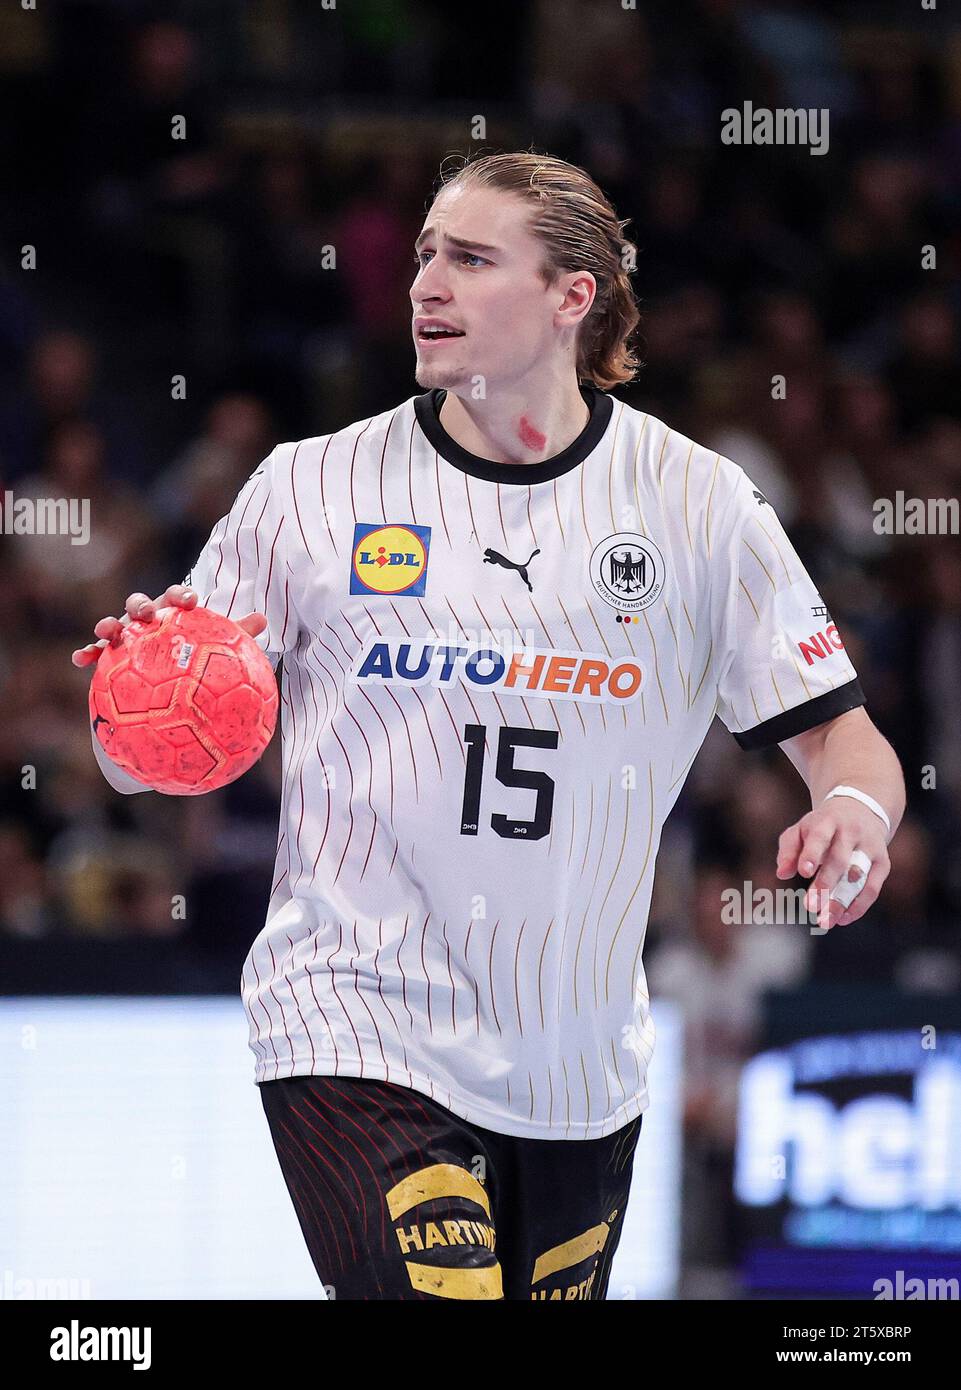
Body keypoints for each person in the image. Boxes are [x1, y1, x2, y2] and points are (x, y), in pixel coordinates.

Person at [72, 151, 905, 1301]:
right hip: (355, 1018)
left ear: (574, 296)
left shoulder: (697, 506)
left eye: (469, 259)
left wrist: (852, 812)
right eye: (423, 255)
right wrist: (133, 713)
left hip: (576, 1058)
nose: (426, 284)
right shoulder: (307, 490)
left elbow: (842, 736)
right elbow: (147, 759)